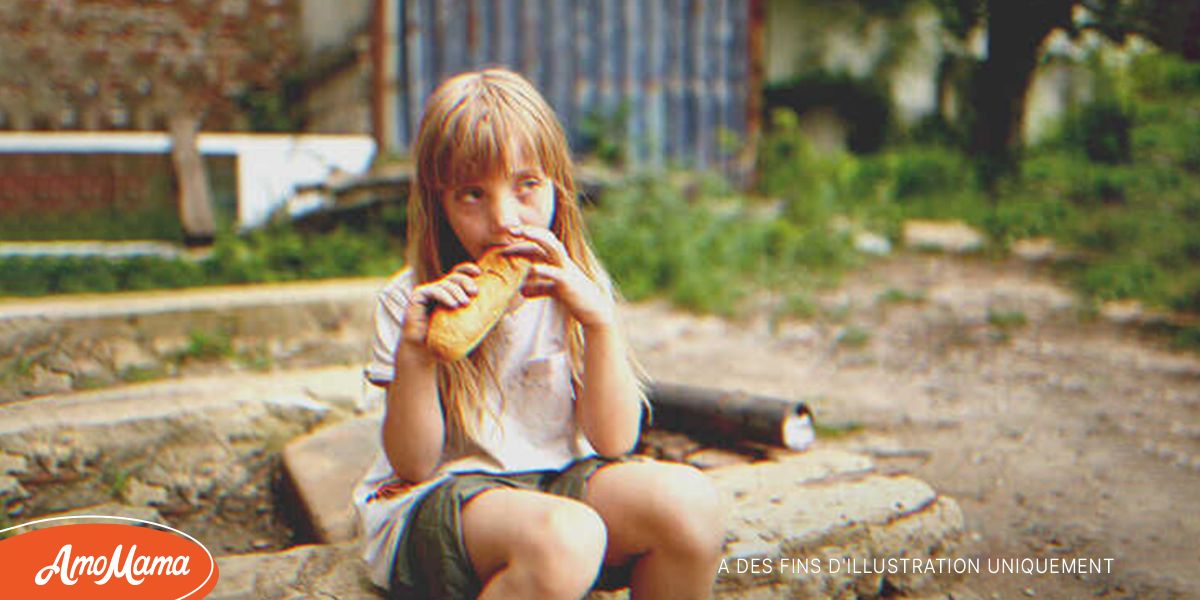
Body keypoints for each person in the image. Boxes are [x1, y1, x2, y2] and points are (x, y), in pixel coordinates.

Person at [353, 67, 727, 600]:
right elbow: (412, 464)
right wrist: (417, 353)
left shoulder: (578, 283)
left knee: (690, 504)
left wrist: (598, 324)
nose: (505, 218)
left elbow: (615, 441)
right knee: (568, 538)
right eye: (472, 195)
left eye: (526, 185)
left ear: (558, 184)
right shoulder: (412, 300)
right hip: (445, 498)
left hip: (560, 480)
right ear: (438, 203)